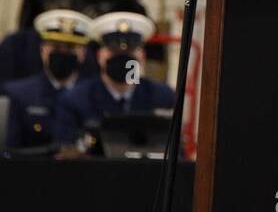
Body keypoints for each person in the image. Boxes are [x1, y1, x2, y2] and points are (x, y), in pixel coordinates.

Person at [56, 11, 175, 149]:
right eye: (114, 52)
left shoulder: (161, 96)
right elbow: (65, 150)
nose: (122, 59)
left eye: (129, 52)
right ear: (100, 56)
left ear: (142, 56)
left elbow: (175, 151)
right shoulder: (76, 99)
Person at [1, 9, 94, 152]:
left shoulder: (93, 95)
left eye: (70, 48)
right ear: (43, 50)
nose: (62, 53)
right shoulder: (18, 94)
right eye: (56, 47)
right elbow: (10, 151)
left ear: (82, 53)